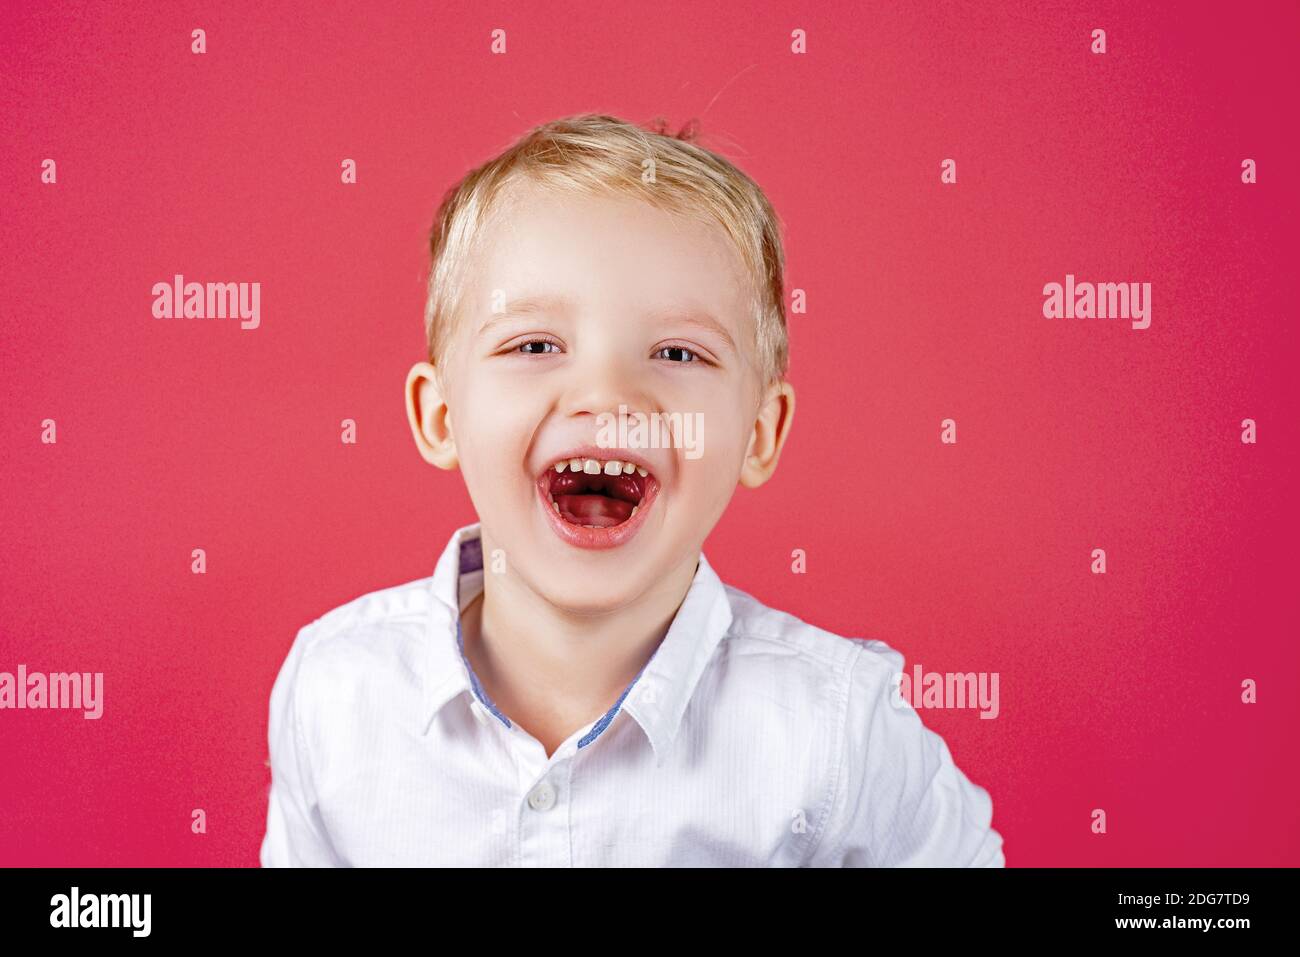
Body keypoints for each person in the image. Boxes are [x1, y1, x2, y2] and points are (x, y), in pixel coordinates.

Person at [259, 113, 1005, 867]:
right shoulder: (335, 694)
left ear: (759, 431)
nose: (607, 394)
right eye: (535, 345)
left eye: (677, 351)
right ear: (440, 415)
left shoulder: (839, 728)